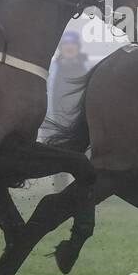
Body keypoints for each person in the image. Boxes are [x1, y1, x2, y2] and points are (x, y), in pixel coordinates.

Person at [44, 31, 92, 190]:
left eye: (72, 44)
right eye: (66, 45)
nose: (69, 48)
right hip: (55, 119)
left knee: (85, 156)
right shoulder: (51, 67)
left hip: (80, 121)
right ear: (61, 48)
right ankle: (59, 189)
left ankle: (85, 188)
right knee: (57, 156)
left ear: (77, 47)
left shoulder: (88, 67)